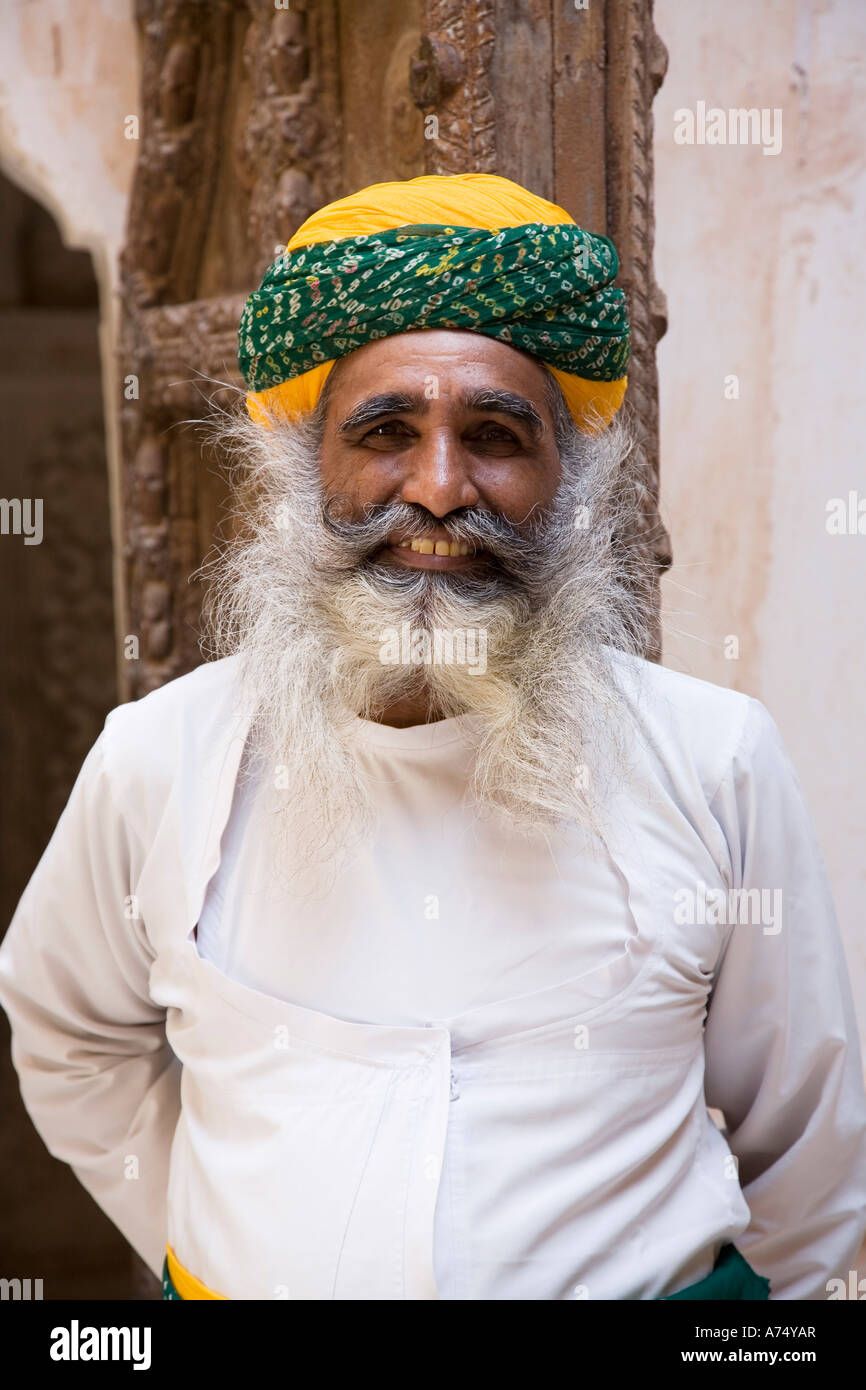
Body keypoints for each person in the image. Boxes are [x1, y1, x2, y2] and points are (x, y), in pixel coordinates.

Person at [1, 174, 864, 1302]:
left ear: (571, 481)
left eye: (496, 435)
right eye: (386, 431)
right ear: (302, 469)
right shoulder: (159, 759)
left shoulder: (713, 759)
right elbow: (70, 1037)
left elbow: (806, 1144)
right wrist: (217, 1251)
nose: (440, 487)